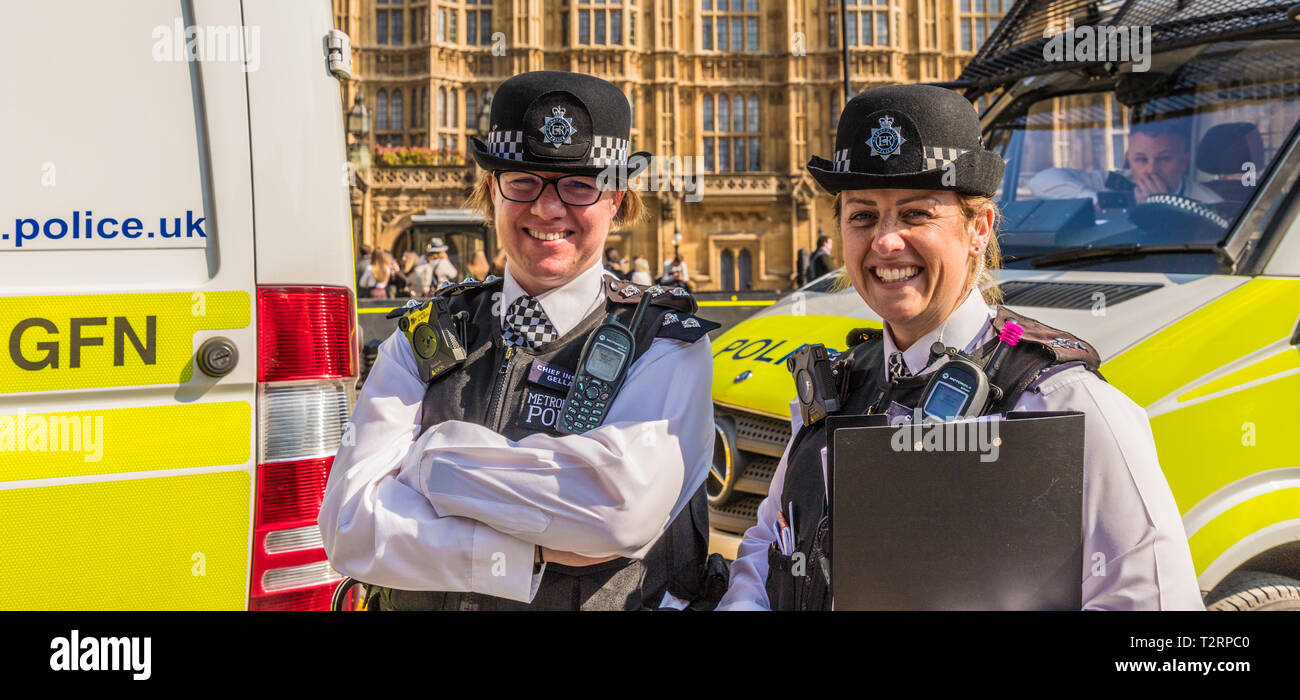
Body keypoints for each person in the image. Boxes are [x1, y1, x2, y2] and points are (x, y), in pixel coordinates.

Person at [717, 84, 1203, 611]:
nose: (885, 241)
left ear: (979, 227)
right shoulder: (840, 388)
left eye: (916, 214)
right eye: (862, 216)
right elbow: (767, 549)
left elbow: (1156, 607)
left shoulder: (1060, 400)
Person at [320, 70, 721, 611]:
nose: (547, 207)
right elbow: (348, 527)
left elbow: (617, 510)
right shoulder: (428, 333)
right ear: (492, 189)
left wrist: (429, 461)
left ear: (616, 199)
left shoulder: (665, 344)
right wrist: (527, 554)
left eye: (579, 184)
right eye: (523, 181)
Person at [1029, 121, 1221, 206]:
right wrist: (1100, 202)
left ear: (1184, 162)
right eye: (1141, 160)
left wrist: (1163, 206)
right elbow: (1040, 182)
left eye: (1164, 159)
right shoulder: (1115, 182)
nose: (1151, 169)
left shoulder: (1209, 202)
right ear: (1129, 160)